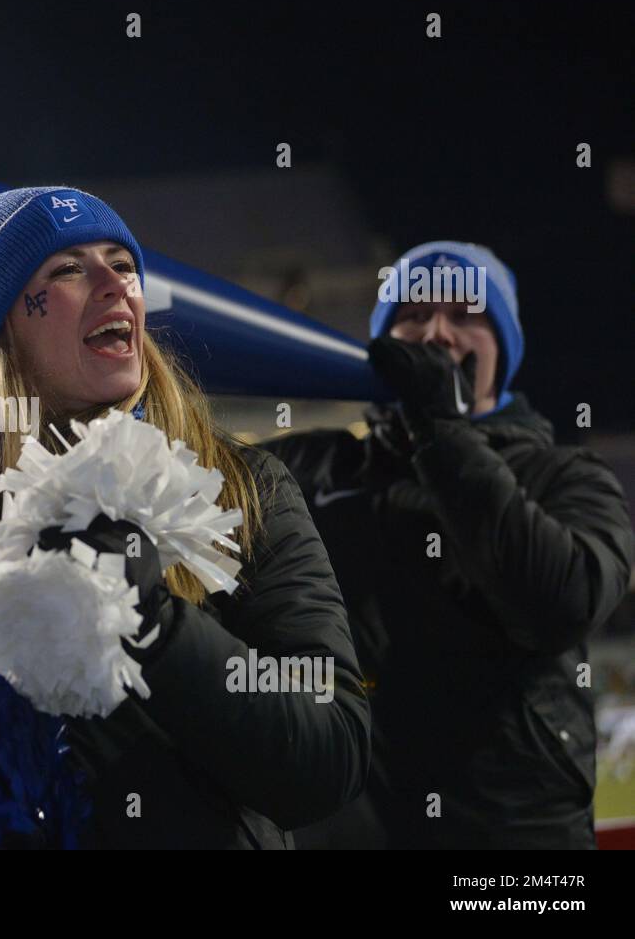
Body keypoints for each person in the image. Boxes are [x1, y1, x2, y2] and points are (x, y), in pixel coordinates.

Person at [0, 187, 370, 848]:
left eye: (123, 264)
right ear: (3, 324)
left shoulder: (242, 488)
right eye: (66, 269)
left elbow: (330, 756)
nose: (112, 284)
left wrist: (153, 623)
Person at [265, 241, 635, 849]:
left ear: (505, 348)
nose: (436, 333)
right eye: (411, 315)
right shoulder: (320, 465)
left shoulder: (568, 476)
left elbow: (558, 606)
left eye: (465, 314)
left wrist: (440, 430)